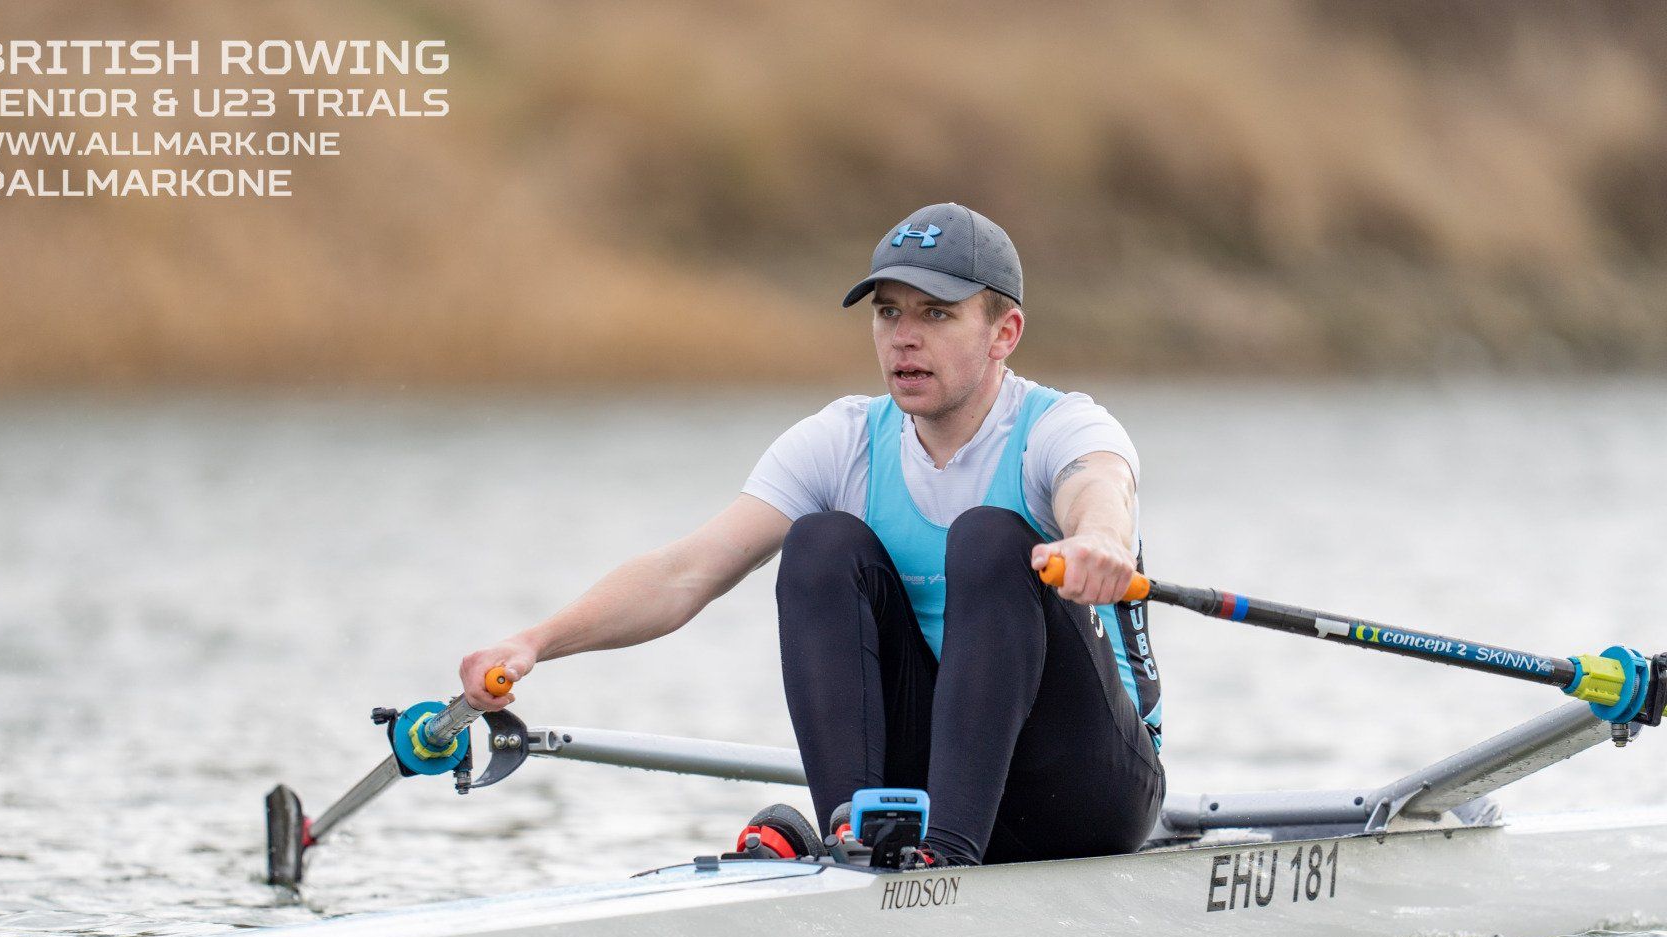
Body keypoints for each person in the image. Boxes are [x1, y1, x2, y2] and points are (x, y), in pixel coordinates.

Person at [458, 202, 1164, 866]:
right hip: (942, 782)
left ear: (1003, 332)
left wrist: (1096, 540)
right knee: (821, 543)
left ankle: (940, 861)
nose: (904, 337)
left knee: (987, 538)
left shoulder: (1060, 427)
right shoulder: (844, 440)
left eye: (937, 314)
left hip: (1085, 788)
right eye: (888, 313)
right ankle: (857, 834)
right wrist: (534, 643)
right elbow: (685, 572)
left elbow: (1101, 486)